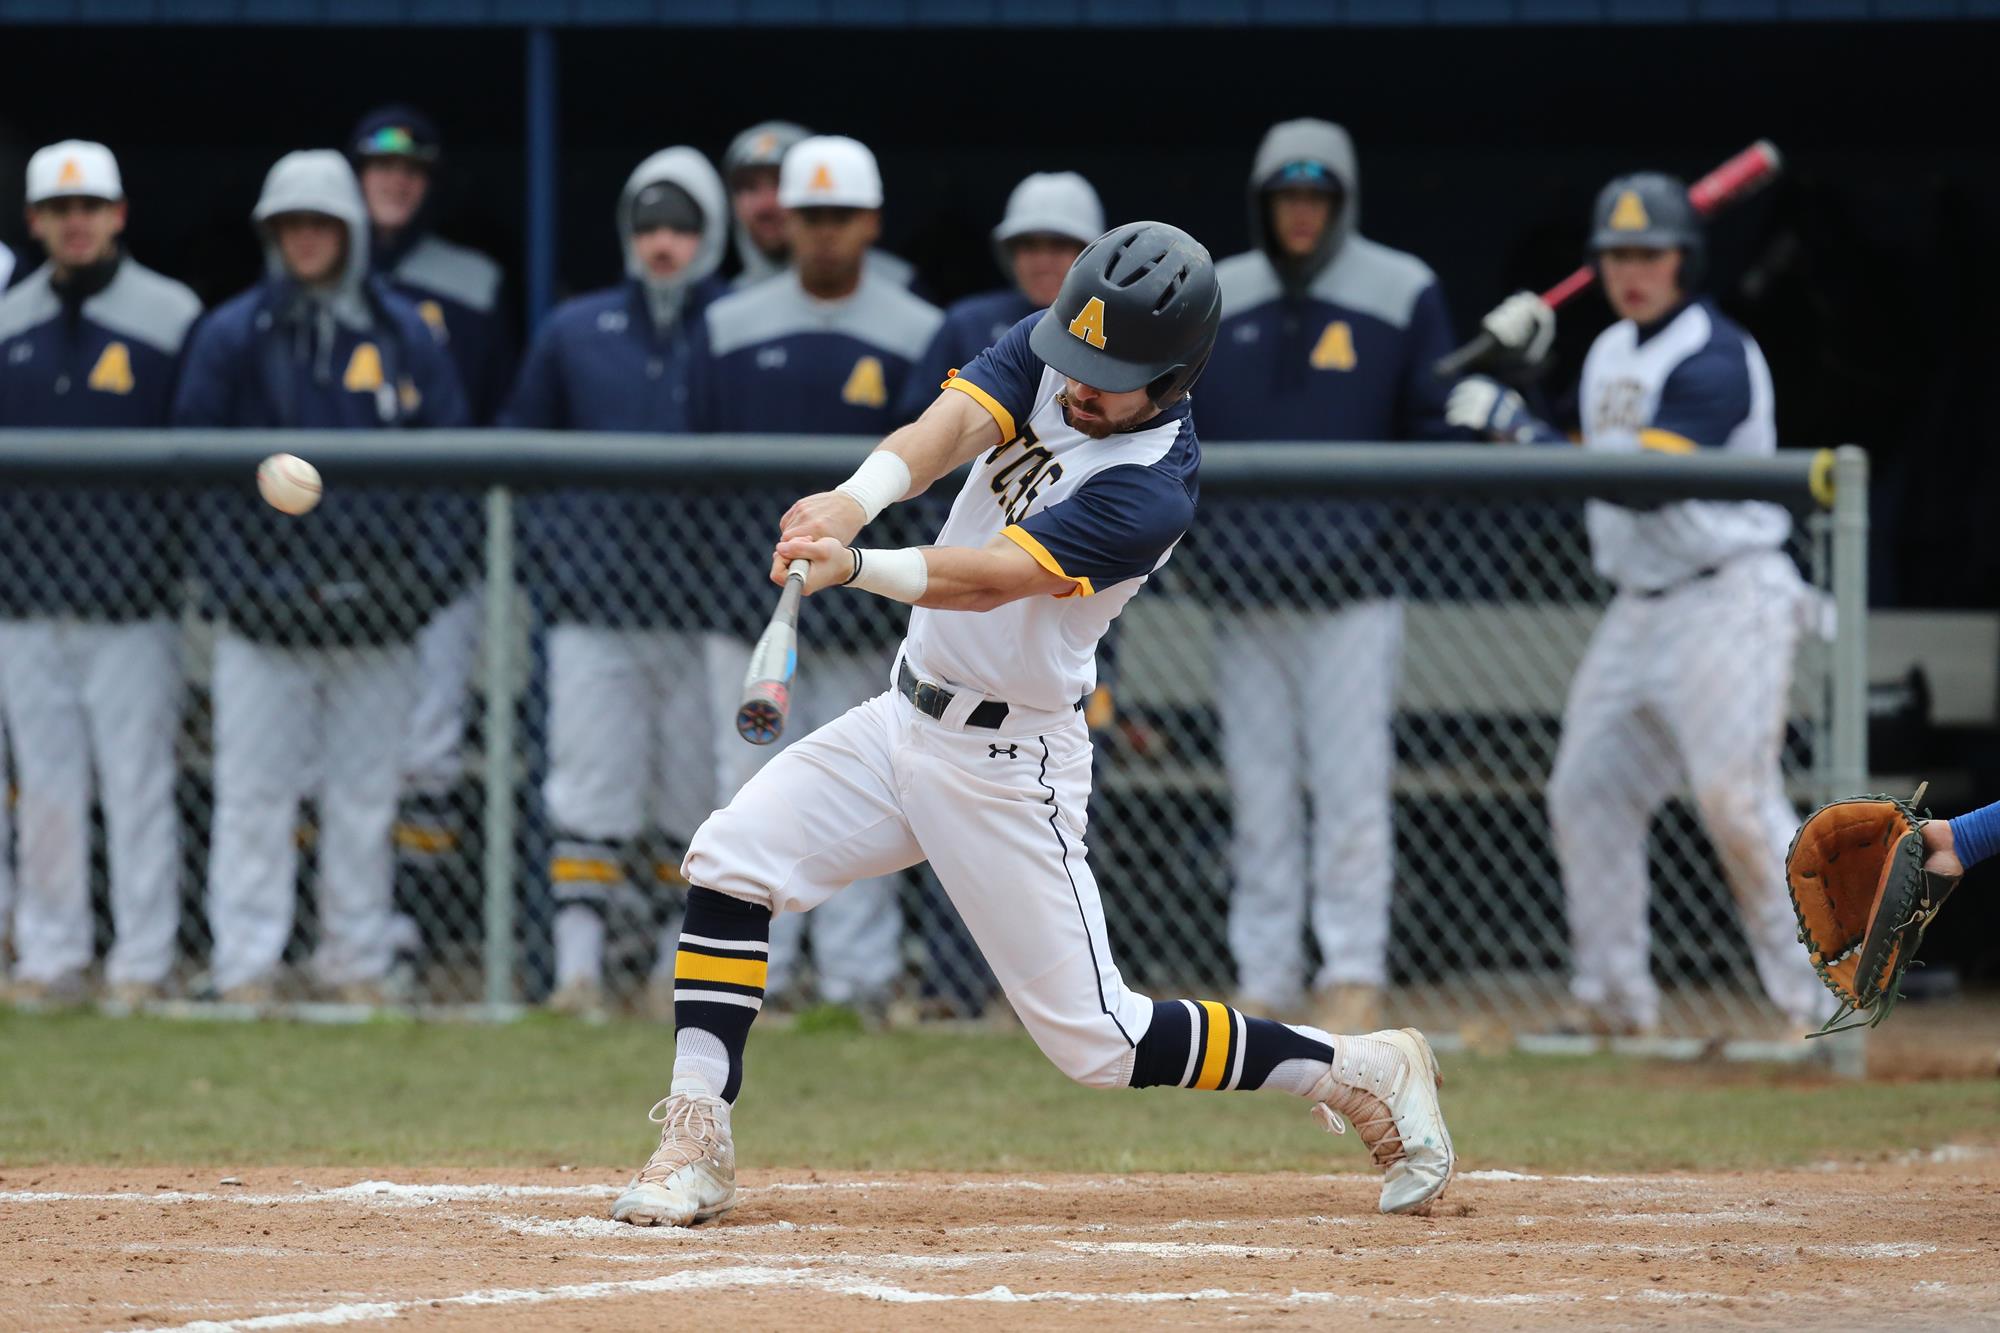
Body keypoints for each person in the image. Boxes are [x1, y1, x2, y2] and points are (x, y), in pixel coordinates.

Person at [608, 220, 1454, 1229]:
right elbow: (950, 429)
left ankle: (1356, 1065)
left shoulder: (1149, 486)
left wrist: (858, 567)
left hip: (1008, 759)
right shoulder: (1058, 347)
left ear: (1175, 374)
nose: (1080, 385)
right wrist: (849, 501)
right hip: (903, 719)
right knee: (730, 860)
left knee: (1101, 1041)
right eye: (1076, 357)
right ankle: (697, 1135)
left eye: (1111, 373)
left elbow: (996, 577)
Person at [1447, 171, 1825, 1036]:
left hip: (1728, 599)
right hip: (1640, 606)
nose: (1632, 269)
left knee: (1736, 801)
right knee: (1586, 790)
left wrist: (1518, 424)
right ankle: (1615, 999)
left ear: (1683, 260)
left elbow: (1643, 481)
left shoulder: (1717, 354)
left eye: (1650, 252)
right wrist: (1534, 378)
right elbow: (1589, 451)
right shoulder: (1613, 349)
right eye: (1617, 255)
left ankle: (1819, 1001)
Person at [172, 149, 470, 1005]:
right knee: (254, 796)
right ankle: (248, 969)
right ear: (272, 233)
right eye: (290, 224)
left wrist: (422, 586)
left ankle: (354, 967)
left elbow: (448, 469)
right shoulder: (233, 332)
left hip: (378, 612)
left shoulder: (408, 331)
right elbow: (198, 475)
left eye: (321, 224)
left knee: (365, 799)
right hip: (264, 614)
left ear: (349, 232)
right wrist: (237, 589)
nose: (306, 238)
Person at [1194, 118, 1459, 1035]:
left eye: (1317, 196)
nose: (1300, 213)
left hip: (1355, 592)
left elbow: (1437, 428)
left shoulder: (1402, 286)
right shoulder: (1218, 288)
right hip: (1245, 590)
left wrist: (1385, 541)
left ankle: (1352, 970)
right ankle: (1263, 972)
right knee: (1258, 790)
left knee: (1350, 788)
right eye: (1285, 196)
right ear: (1264, 204)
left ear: (1340, 202)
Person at [686, 134, 943, 1019]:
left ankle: (857, 982)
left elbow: (928, 472)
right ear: (783, 222)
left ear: (869, 221)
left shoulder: (915, 325)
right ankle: (762, 975)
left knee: (869, 788)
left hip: (862, 599)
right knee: (748, 788)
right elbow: (696, 473)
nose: (825, 233)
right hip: (751, 597)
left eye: (841, 217)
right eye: (810, 217)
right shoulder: (726, 322)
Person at [499, 147, 732, 1018]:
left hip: (706, 609)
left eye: (681, 227)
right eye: (649, 227)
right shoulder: (573, 328)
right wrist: (555, 559)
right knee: (589, 786)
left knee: (689, 800)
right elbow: (522, 451)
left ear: (708, 236)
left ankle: (669, 969)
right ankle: (578, 973)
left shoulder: (737, 325)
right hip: (593, 608)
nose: (664, 243)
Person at [0, 140, 202, 1005]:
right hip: (24, 597)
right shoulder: (7, 319)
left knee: (139, 787)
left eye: (89, 208)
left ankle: (141, 965)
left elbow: (194, 463)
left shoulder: (172, 312)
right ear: (35, 221)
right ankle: (52, 957)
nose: (74, 223)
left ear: (118, 214)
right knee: (44, 791)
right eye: (57, 209)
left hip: (134, 601)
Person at [348, 107, 515, 927]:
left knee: (430, 744)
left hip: (441, 545)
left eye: (411, 169)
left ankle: (419, 922)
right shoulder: (322, 275)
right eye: (381, 167)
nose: (395, 180)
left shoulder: (472, 279)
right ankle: (355, 916)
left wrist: (452, 550)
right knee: (341, 750)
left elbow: (487, 412)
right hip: (340, 550)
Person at [895, 171, 1102, 422]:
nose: (1042, 261)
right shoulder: (967, 323)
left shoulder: (1118, 327)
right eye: (1028, 246)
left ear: (1093, 252)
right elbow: (919, 421)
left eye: (1059, 245)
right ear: (1009, 254)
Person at [720, 120, 915, 291]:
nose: (765, 205)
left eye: (781, 182)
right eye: (748, 188)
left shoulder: (901, 287)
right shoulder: (724, 309)